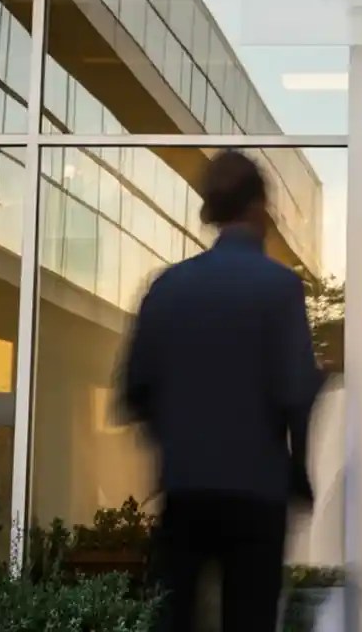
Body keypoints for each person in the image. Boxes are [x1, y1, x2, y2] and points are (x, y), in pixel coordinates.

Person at [121, 149, 321, 632]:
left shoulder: (167, 287)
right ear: (257, 208)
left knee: (177, 617)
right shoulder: (279, 288)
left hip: (186, 491)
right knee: (249, 619)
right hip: (257, 493)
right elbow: (296, 391)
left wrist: (173, 443)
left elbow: (134, 392)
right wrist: (298, 469)